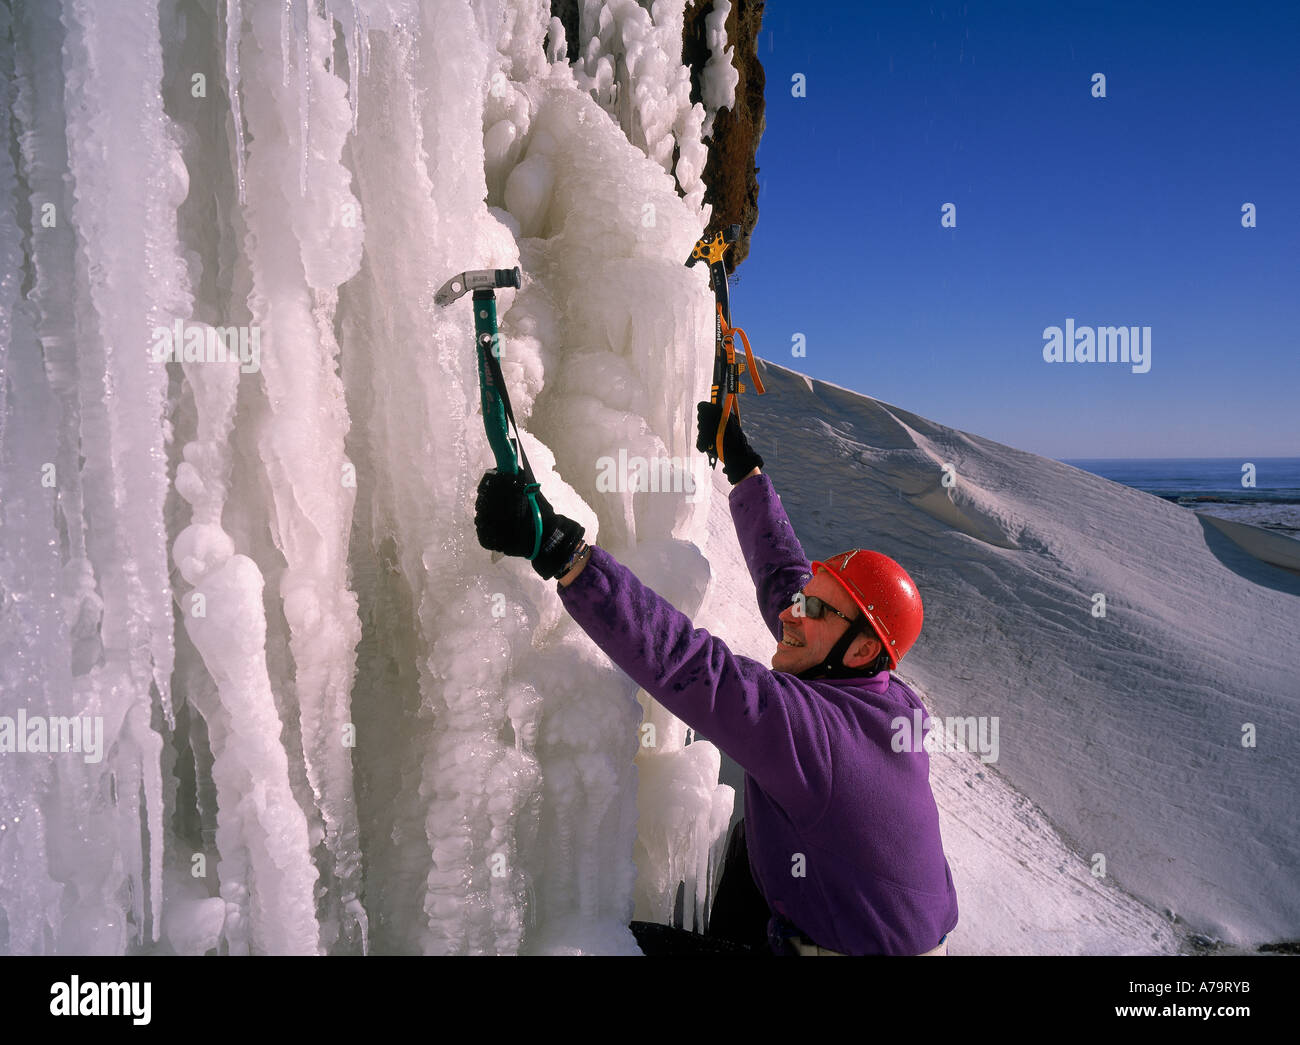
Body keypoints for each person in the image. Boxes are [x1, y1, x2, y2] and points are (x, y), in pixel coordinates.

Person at [474, 402, 958, 955]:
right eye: (807, 601)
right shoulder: (889, 695)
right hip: (890, 933)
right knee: (751, 840)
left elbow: (691, 666)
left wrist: (563, 554)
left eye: (816, 612)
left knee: (604, 947)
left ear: (863, 648)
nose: (794, 613)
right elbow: (787, 582)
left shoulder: (814, 734)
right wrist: (743, 469)